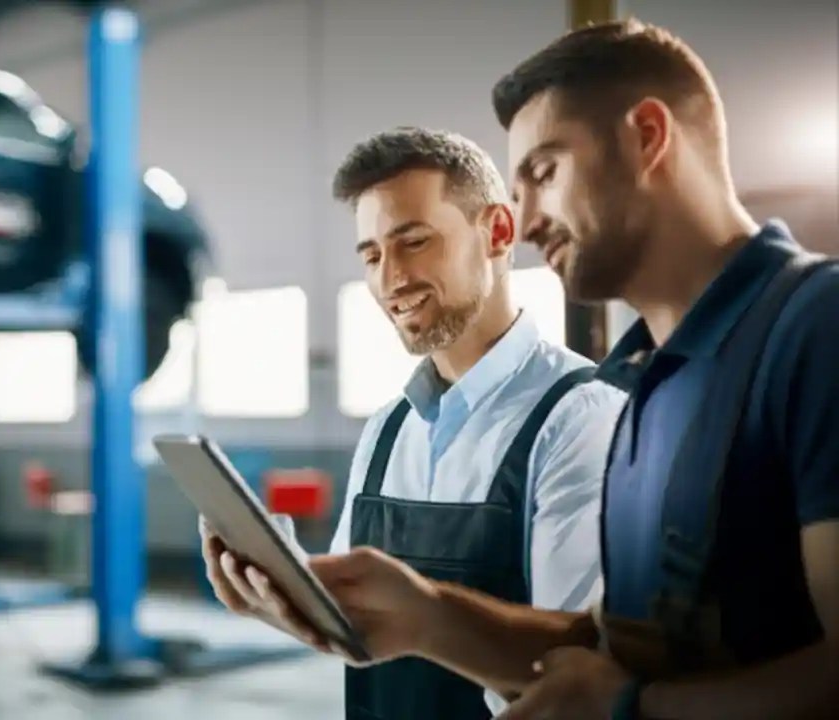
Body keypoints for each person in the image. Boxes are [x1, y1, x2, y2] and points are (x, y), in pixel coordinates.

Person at [285, 18, 839, 720]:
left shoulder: (815, 327)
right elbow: (609, 647)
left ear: (648, 136)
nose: (526, 217)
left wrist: (633, 709)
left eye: (544, 172)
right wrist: (420, 614)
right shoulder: (647, 388)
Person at [200, 126, 627, 719]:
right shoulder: (386, 431)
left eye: (415, 241)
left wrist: (429, 616)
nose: (390, 279)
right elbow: (358, 627)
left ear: (499, 232)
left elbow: (585, 674)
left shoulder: (581, 416)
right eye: (372, 255)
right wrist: (283, 602)